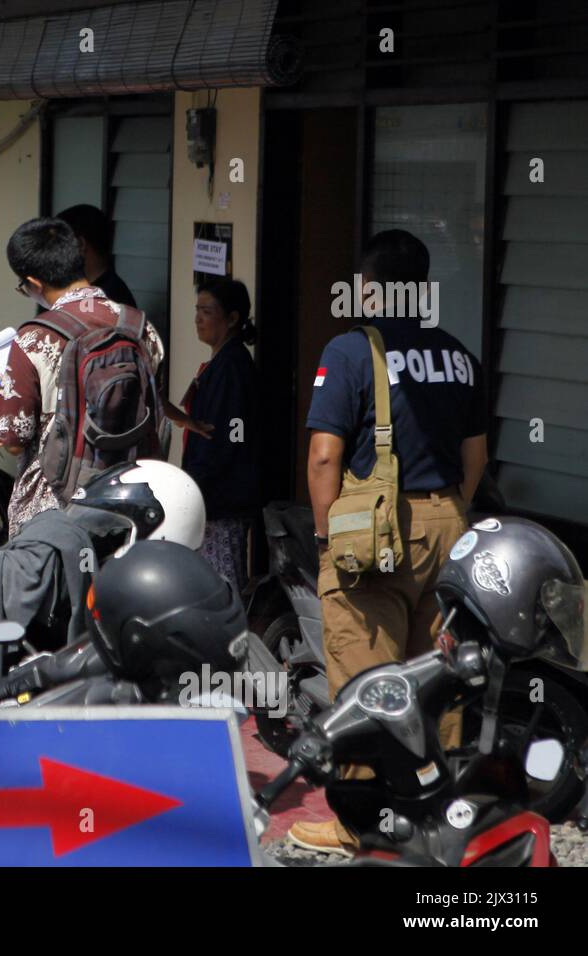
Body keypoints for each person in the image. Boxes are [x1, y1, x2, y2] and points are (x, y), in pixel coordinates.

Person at [287, 229, 488, 857]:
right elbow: (475, 455)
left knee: (368, 676)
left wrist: (326, 538)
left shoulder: (350, 351)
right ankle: (441, 814)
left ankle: (361, 823)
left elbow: (325, 457)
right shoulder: (458, 354)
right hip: (449, 524)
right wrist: (447, 516)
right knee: (439, 673)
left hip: (373, 536)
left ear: (368, 289)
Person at [0, 217, 167, 538]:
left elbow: (15, 437)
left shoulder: (34, 339)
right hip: (135, 499)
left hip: (55, 510)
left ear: (34, 283)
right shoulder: (138, 326)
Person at [179, 278, 262, 592]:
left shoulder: (232, 367)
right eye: (197, 310)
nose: (198, 319)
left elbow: (233, 434)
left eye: (207, 311)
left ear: (232, 318)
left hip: (221, 497)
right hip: (216, 492)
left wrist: (198, 481)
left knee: (221, 586)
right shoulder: (221, 363)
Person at [56, 204, 137, 308]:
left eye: (59, 244)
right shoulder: (106, 288)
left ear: (80, 244)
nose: (54, 253)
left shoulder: (105, 299)